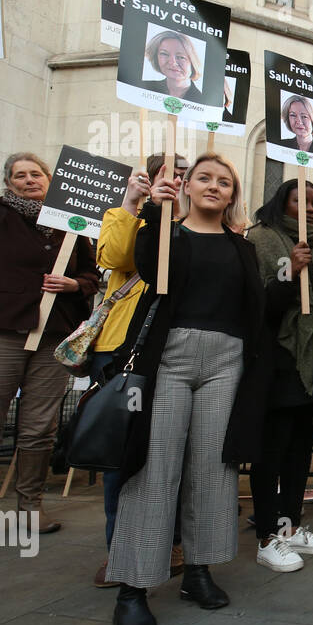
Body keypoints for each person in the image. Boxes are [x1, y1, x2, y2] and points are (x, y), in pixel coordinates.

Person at [107, 153, 269, 625]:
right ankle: (132, 589)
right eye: (204, 178)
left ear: (232, 194)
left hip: (226, 363)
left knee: (212, 468)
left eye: (224, 181)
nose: (214, 186)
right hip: (171, 360)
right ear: (187, 187)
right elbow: (149, 271)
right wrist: (155, 212)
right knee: (156, 468)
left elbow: (253, 309)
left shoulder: (242, 248)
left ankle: (198, 570)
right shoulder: (167, 234)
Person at [0, 80, 102, 540]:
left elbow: (94, 276)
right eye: (21, 175)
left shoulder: (73, 228)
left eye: (38, 175)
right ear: (8, 183)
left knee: (38, 429)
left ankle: (28, 510)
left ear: (52, 183)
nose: (31, 180)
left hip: (53, 338)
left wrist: (75, 283)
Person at [92, 153, 189, 586]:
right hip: (125, 347)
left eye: (185, 176)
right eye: (169, 175)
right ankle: (120, 549)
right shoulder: (126, 214)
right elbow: (115, 256)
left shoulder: (201, 224)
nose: (179, 182)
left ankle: (171, 541)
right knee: (124, 453)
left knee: (177, 453)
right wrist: (135, 205)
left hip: (179, 349)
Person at [246, 179, 313, 572]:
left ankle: (291, 527)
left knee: (298, 450)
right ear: (280, 202)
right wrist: (291, 274)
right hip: (280, 356)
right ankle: (266, 536)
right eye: (299, 200)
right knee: (273, 449)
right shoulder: (262, 238)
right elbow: (258, 304)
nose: (309, 207)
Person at [144, 31, 206, 102]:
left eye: (181, 57)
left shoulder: (203, 101)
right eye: (164, 54)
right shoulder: (144, 88)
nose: (172, 63)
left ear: (193, 62)